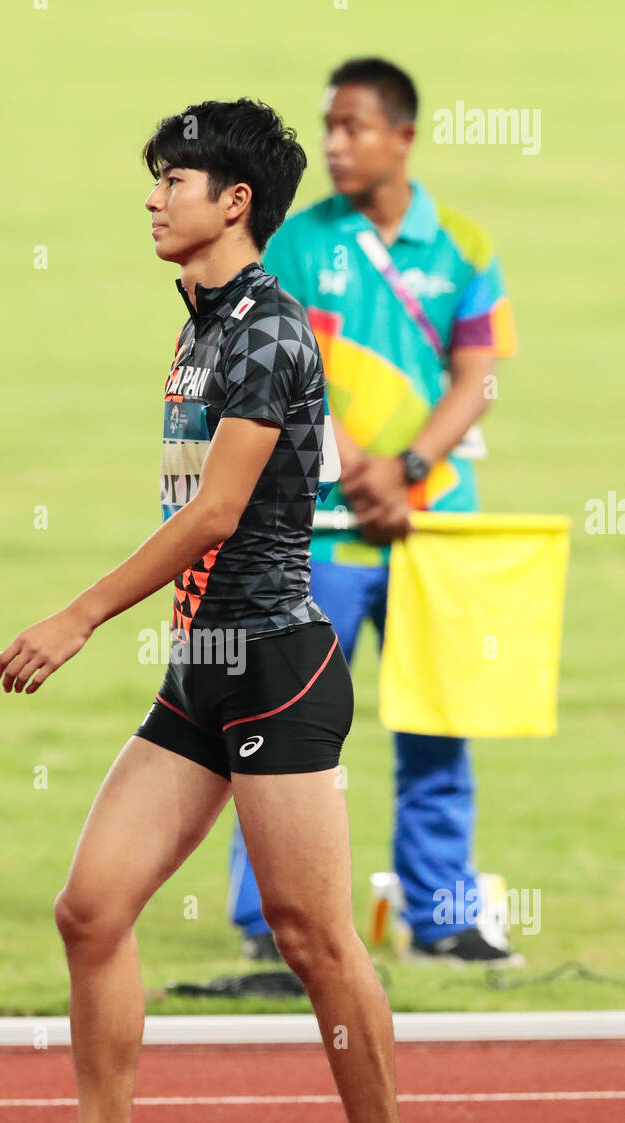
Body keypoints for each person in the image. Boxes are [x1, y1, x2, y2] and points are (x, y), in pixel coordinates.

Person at [0, 98, 432, 1123]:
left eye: (172, 179)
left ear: (234, 202)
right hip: (200, 677)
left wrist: (78, 615)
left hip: (274, 668)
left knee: (312, 934)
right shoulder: (194, 328)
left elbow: (219, 513)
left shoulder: (268, 332)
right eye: (153, 178)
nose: (151, 197)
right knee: (90, 909)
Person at [229, 58, 520, 965]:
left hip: (434, 529)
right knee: (279, 727)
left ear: (403, 134)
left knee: (440, 723)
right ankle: (274, 929)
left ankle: (441, 917)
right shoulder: (294, 248)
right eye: (328, 127)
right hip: (314, 532)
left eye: (353, 126)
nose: (335, 145)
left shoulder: (464, 246)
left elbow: (480, 375)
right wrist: (363, 473)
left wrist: (411, 467)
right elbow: (285, 376)